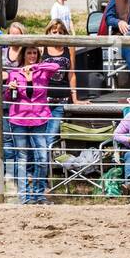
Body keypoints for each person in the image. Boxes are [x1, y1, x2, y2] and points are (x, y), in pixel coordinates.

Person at [4, 47, 60, 205]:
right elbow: (9, 97)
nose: (32, 56)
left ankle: (38, 194)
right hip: (18, 119)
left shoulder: (42, 71)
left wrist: (34, 67)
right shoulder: (14, 73)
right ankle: (24, 197)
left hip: (39, 118)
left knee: (42, 157)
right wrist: (11, 89)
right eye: (29, 53)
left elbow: (55, 67)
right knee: (22, 158)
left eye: (35, 53)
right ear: (23, 55)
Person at [41, 20, 81, 162]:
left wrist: (75, 98)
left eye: (60, 32)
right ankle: (41, 172)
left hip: (61, 99)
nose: (57, 34)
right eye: (54, 31)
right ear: (48, 32)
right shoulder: (42, 47)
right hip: (43, 100)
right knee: (40, 136)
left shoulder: (68, 47)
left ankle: (43, 174)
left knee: (50, 135)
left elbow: (71, 73)